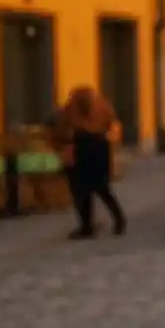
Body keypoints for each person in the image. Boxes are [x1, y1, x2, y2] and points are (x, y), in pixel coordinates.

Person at [55, 86, 126, 239]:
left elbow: (64, 129)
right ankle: (119, 219)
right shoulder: (103, 106)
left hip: (81, 147)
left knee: (81, 190)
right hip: (100, 146)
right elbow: (112, 124)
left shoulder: (70, 109)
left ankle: (86, 226)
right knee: (102, 187)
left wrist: (64, 147)